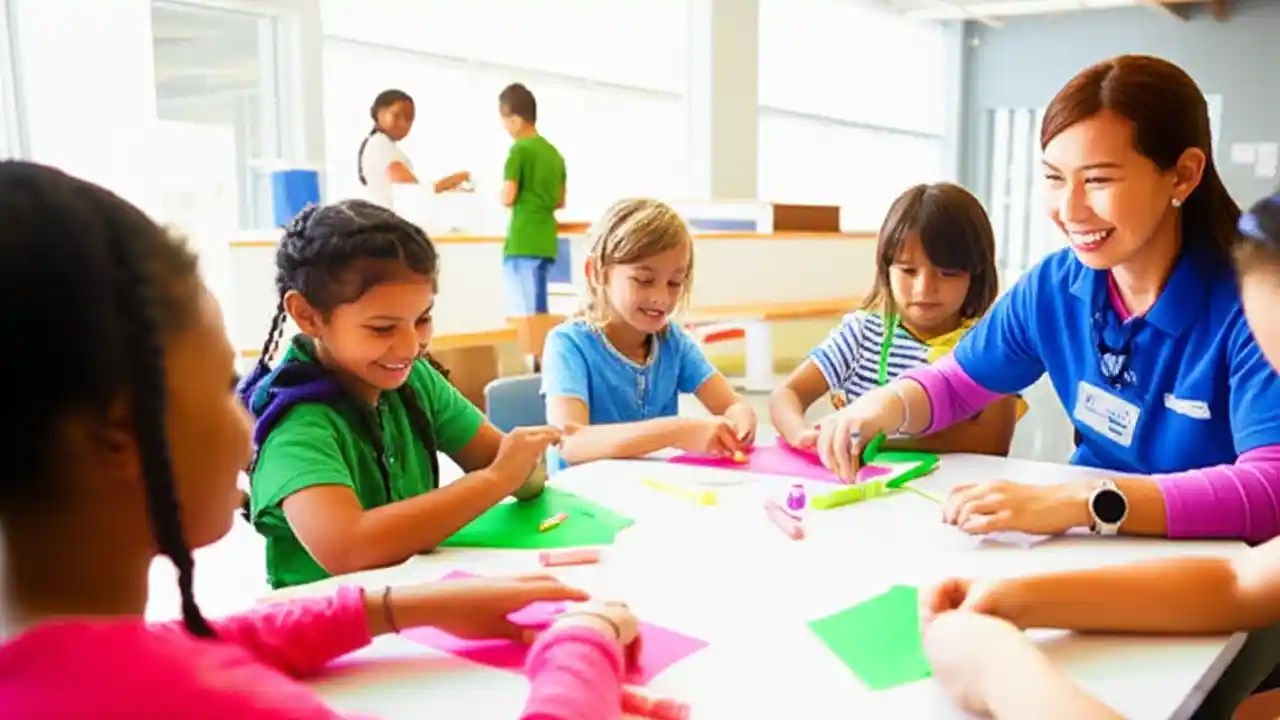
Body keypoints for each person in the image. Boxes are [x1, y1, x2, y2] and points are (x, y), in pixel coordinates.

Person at [0, 160, 639, 719]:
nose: (247, 419)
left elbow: (194, 638)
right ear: (121, 435)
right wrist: (580, 645)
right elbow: (343, 548)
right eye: (222, 385)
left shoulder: (42, 664)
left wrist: (393, 608)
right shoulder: (204, 701)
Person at [814, 54, 1280, 545]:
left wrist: (1083, 503)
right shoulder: (1056, 288)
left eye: (1099, 180)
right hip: (1090, 541)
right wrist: (882, 407)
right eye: (1055, 178)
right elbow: (957, 383)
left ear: (1183, 175)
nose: (1069, 210)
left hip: (1211, 563)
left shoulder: (1256, 307)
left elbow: (1270, 491)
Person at [919, 188, 1280, 720]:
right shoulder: (1056, 287)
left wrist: (994, 672)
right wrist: (1017, 600)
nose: (1072, 207)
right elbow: (1240, 583)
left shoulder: (1222, 304)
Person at [242, 200, 559, 589]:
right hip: (336, 634)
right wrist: (496, 480)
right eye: (382, 328)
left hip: (416, 603)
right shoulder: (296, 423)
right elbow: (348, 548)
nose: (411, 347)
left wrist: (521, 466)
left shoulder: (413, 379)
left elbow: (517, 472)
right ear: (308, 316)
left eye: (422, 319)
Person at [770, 182, 1019, 457]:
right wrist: (802, 435)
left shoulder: (990, 343)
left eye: (947, 273)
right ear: (886, 269)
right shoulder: (860, 334)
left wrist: (878, 441)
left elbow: (993, 441)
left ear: (976, 273)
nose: (924, 288)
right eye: (908, 270)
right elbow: (786, 394)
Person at [541, 198, 757, 468]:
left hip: (648, 492)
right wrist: (678, 431)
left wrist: (740, 418)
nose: (661, 297)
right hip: (580, 499)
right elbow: (571, 443)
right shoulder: (568, 344)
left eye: (675, 283)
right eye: (644, 280)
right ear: (597, 272)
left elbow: (731, 405)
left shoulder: (673, 342)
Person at [498, 82, 567, 320]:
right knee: (538, 312)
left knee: (524, 318)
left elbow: (508, 196)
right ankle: (541, 357)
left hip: (523, 240)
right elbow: (559, 200)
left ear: (514, 119)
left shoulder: (519, 151)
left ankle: (537, 357)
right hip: (546, 240)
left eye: (504, 121)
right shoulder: (554, 154)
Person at [358, 89, 471, 209]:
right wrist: (450, 182)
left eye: (408, 118)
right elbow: (412, 194)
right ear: (378, 114)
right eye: (396, 116)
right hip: (390, 221)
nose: (403, 123)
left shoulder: (379, 143)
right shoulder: (381, 145)